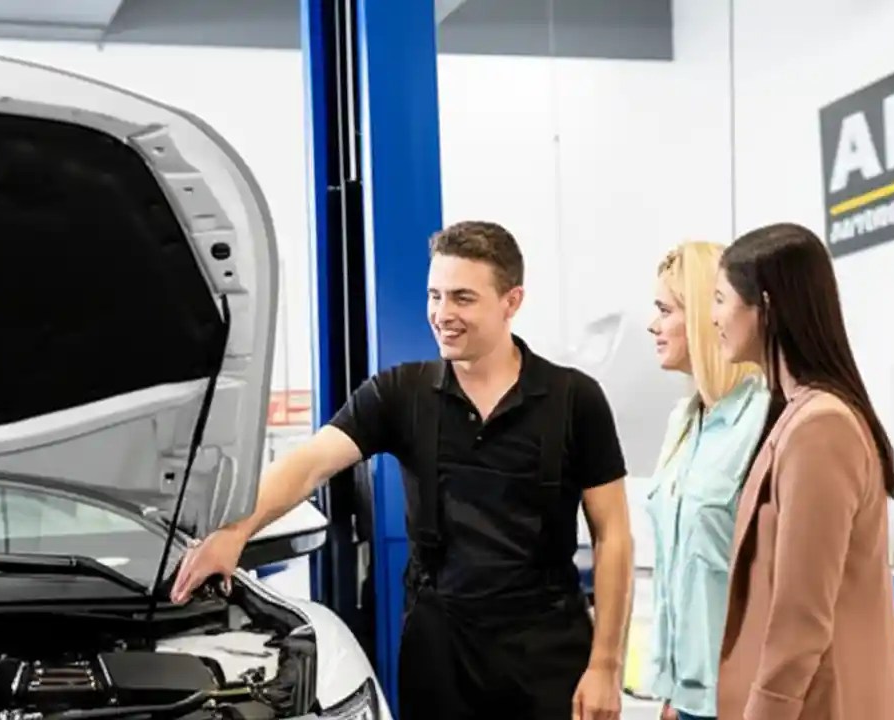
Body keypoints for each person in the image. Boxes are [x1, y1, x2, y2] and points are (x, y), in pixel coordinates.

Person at [170, 220, 634, 720]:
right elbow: (308, 465)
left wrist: (606, 665)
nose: (442, 314)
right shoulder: (400, 394)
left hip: (548, 652)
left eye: (462, 298)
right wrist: (235, 531)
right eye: (435, 296)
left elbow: (613, 536)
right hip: (440, 655)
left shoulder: (574, 400)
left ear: (512, 301)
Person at [710, 222, 894, 720]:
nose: (712, 317)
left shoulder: (820, 428)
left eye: (720, 299)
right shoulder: (799, 417)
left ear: (766, 306)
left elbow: (802, 616)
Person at [642, 242, 769, 720]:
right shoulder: (683, 421)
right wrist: (673, 694)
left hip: (745, 696)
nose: (652, 325)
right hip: (686, 697)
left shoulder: (765, 419)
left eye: (664, 310)